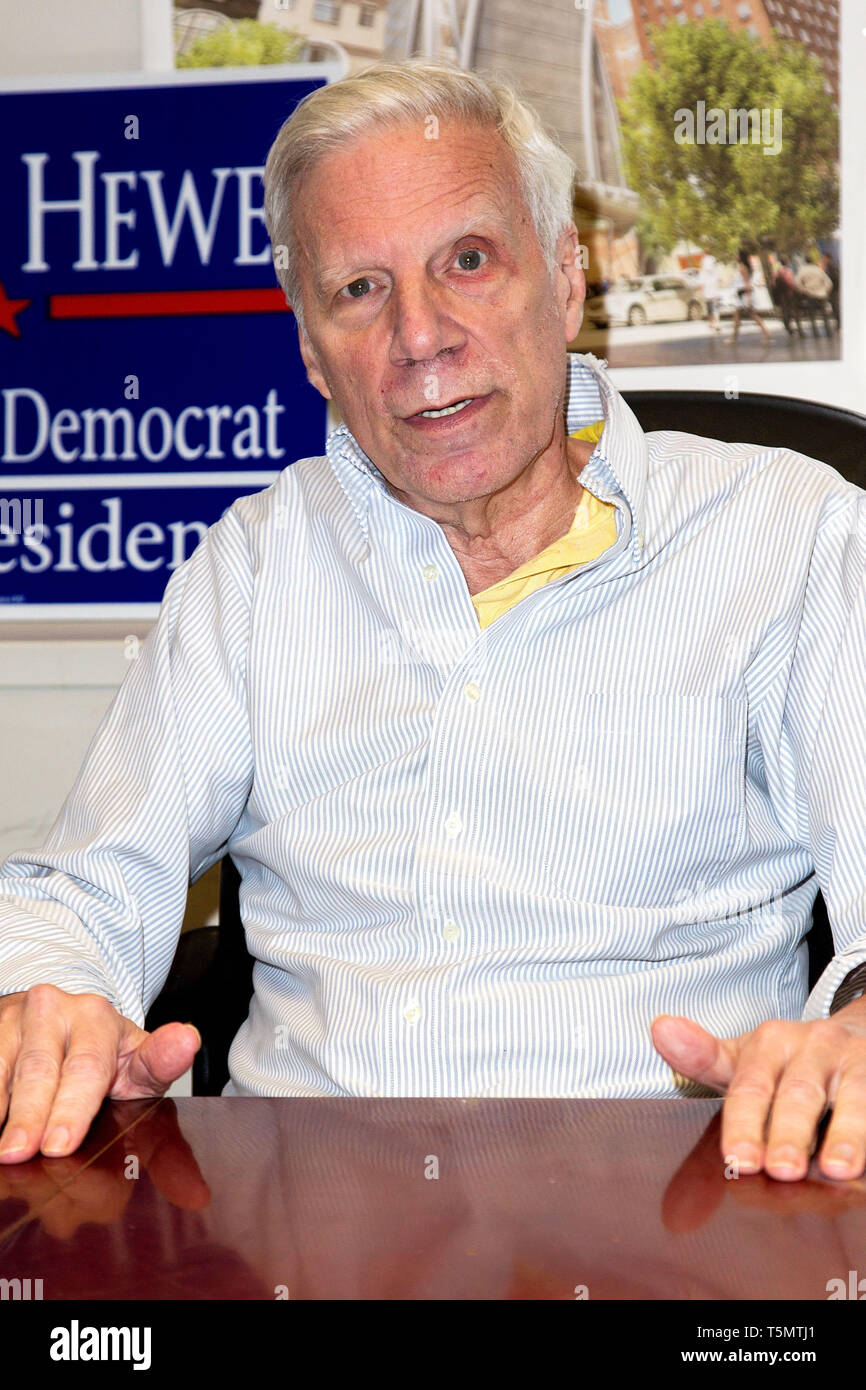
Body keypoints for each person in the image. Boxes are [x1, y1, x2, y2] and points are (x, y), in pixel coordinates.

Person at [1, 59, 866, 1184]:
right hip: (305, 1248)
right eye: (358, 289)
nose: (421, 335)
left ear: (564, 278)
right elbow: (85, 886)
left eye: (467, 261)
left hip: (660, 1230)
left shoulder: (786, 534)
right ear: (311, 350)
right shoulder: (258, 564)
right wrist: (43, 1002)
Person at [728, 247, 771, 343]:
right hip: (742, 295)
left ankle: (766, 333)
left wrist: (748, 298)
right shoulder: (743, 266)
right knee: (739, 316)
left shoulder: (743, 267)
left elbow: (747, 282)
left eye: (737, 254)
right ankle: (733, 337)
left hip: (744, 295)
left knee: (751, 315)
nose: (735, 256)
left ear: (741, 256)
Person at [697, 250, 721, 333]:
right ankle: (714, 323)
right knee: (713, 308)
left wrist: (701, 292)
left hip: (711, 292)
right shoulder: (711, 270)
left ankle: (713, 323)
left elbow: (701, 283)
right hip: (711, 292)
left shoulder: (705, 271)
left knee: (712, 308)